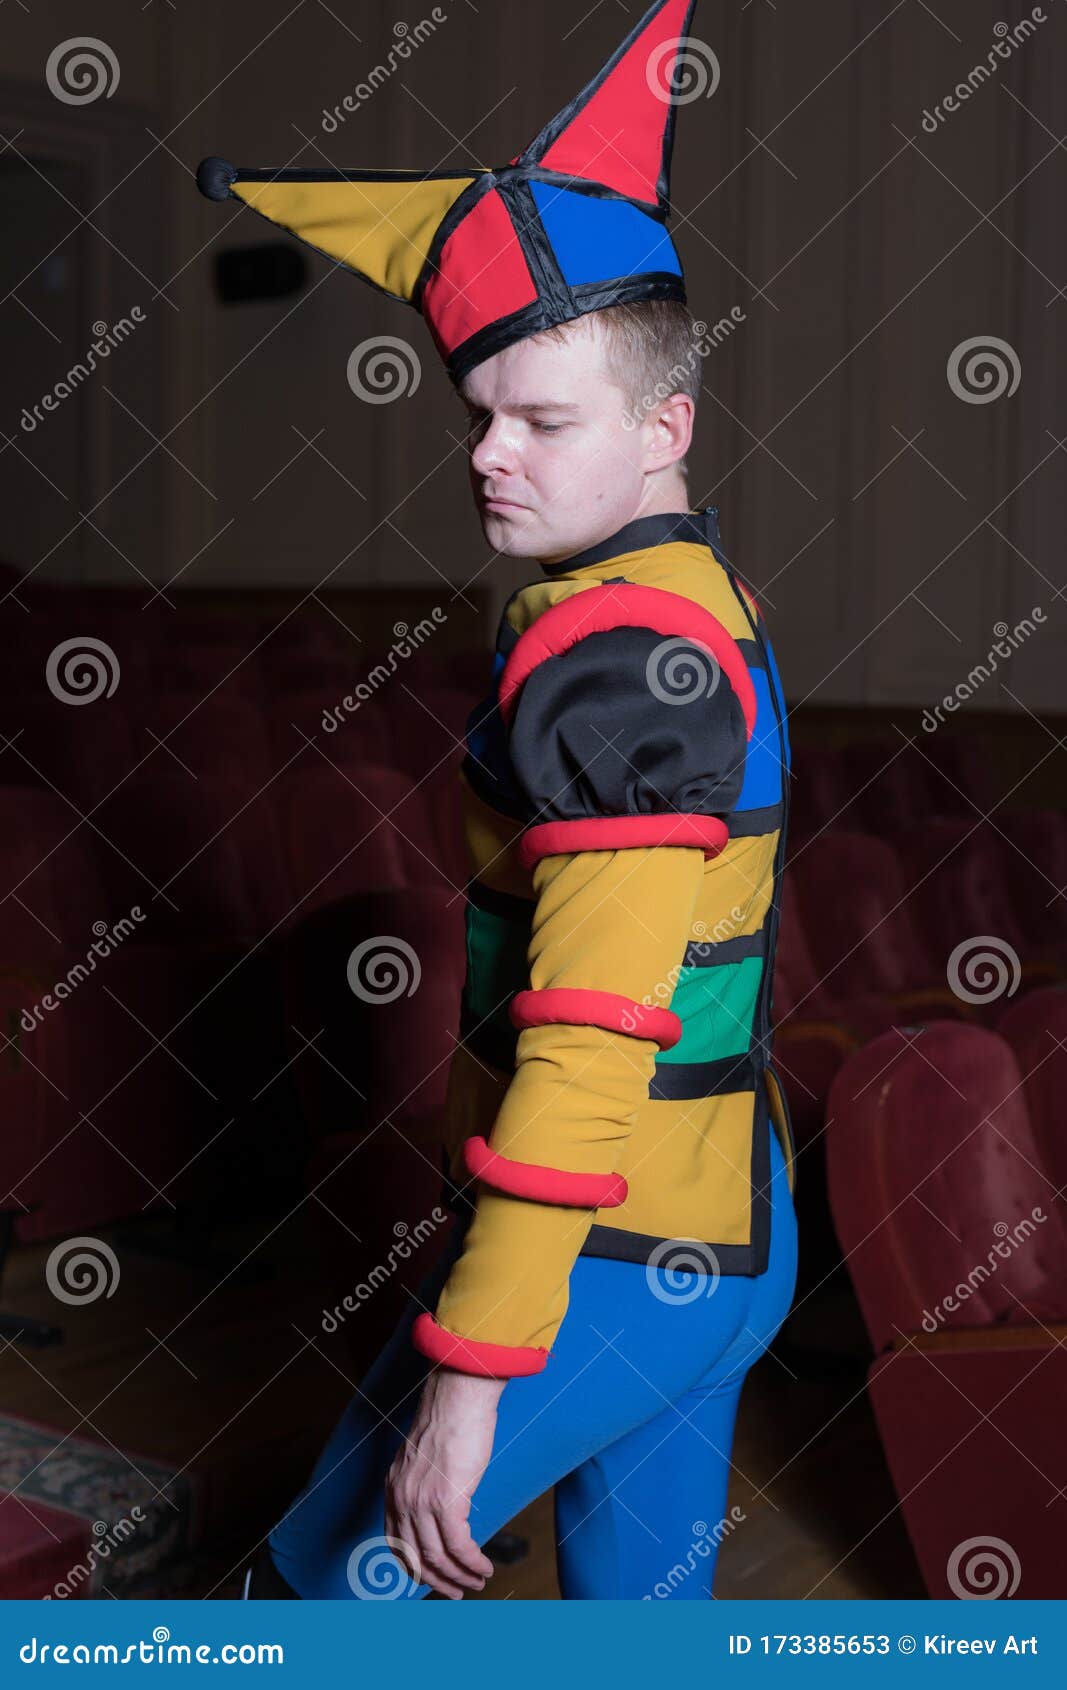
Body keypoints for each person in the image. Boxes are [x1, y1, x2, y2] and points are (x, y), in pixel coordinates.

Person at [201, 0, 798, 1602]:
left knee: (308, 1599)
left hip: (609, 1250)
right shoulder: (690, 587)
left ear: (665, 424)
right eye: (478, 414)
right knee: (637, 1625)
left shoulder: (616, 664)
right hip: (730, 1221)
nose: (487, 456)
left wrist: (471, 1373)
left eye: (543, 420)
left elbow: (593, 1043)